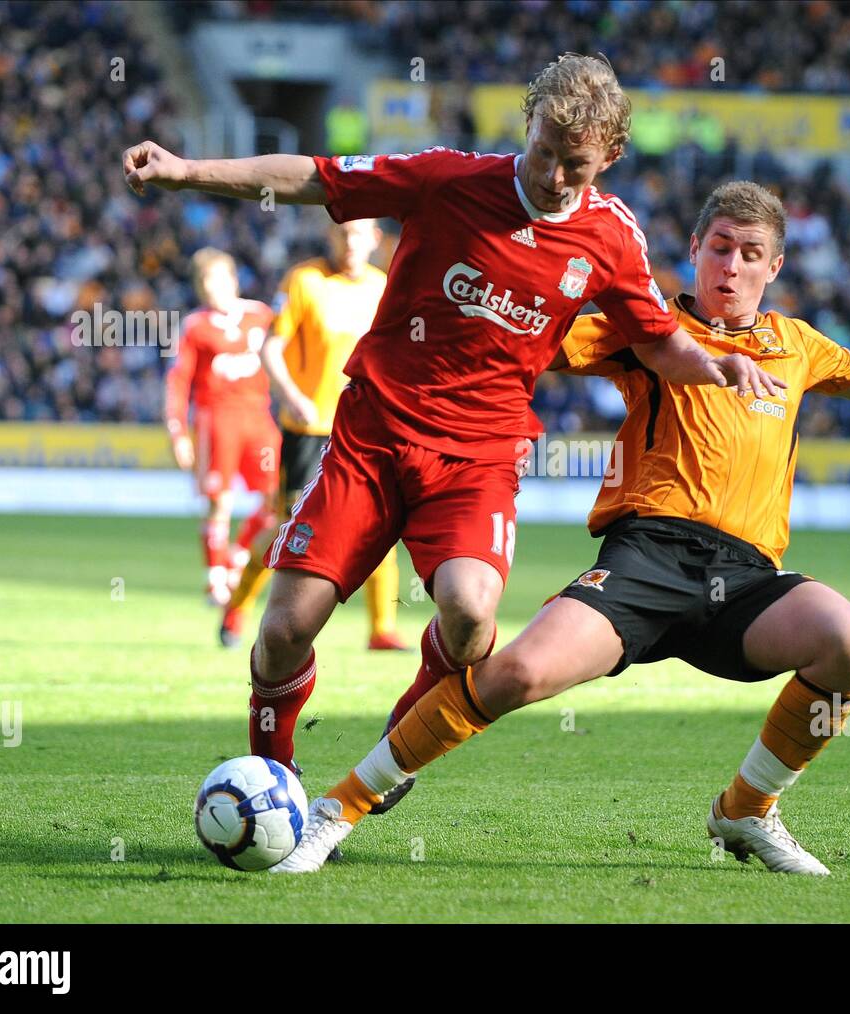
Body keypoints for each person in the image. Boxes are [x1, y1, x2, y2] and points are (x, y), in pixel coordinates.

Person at [275, 180, 850, 875]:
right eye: (717, 247)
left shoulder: (797, 346)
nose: (730, 265)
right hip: (646, 562)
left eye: (748, 253)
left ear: (775, 267)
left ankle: (746, 811)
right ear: (695, 250)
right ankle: (340, 807)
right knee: (519, 673)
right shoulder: (650, 332)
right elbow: (535, 338)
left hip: (746, 580)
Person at [124, 54, 784, 792]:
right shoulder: (447, 179)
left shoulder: (612, 237)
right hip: (372, 437)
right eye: (543, 153)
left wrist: (716, 365)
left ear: (610, 157)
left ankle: (393, 748)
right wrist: (186, 171)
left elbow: (656, 339)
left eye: (576, 165)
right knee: (283, 630)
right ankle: (271, 774)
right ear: (525, 127)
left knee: (470, 618)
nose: (554, 178)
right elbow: (315, 177)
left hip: (478, 457)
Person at [221, 218, 408, 653]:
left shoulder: (383, 286)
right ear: (330, 236)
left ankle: (382, 628)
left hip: (364, 429)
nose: (350, 242)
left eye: (359, 234)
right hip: (308, 429)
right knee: (290, 528)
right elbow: (270, 347)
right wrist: (291, 396)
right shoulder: (304, 280)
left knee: (382, 524)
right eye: (342, 233)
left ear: (375, 240)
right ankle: (236, 606)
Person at [164, 248, 279, 609]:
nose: (208, 287)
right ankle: (215, 580)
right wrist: (178, 431)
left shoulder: (261, 315)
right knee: (220, 502)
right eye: (201, 281)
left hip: (259, 417)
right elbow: (178, 381)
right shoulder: (195, 326)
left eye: (214, 278)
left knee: (277, 500)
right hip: (217, 420)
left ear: (232, 279)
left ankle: (238, 557)